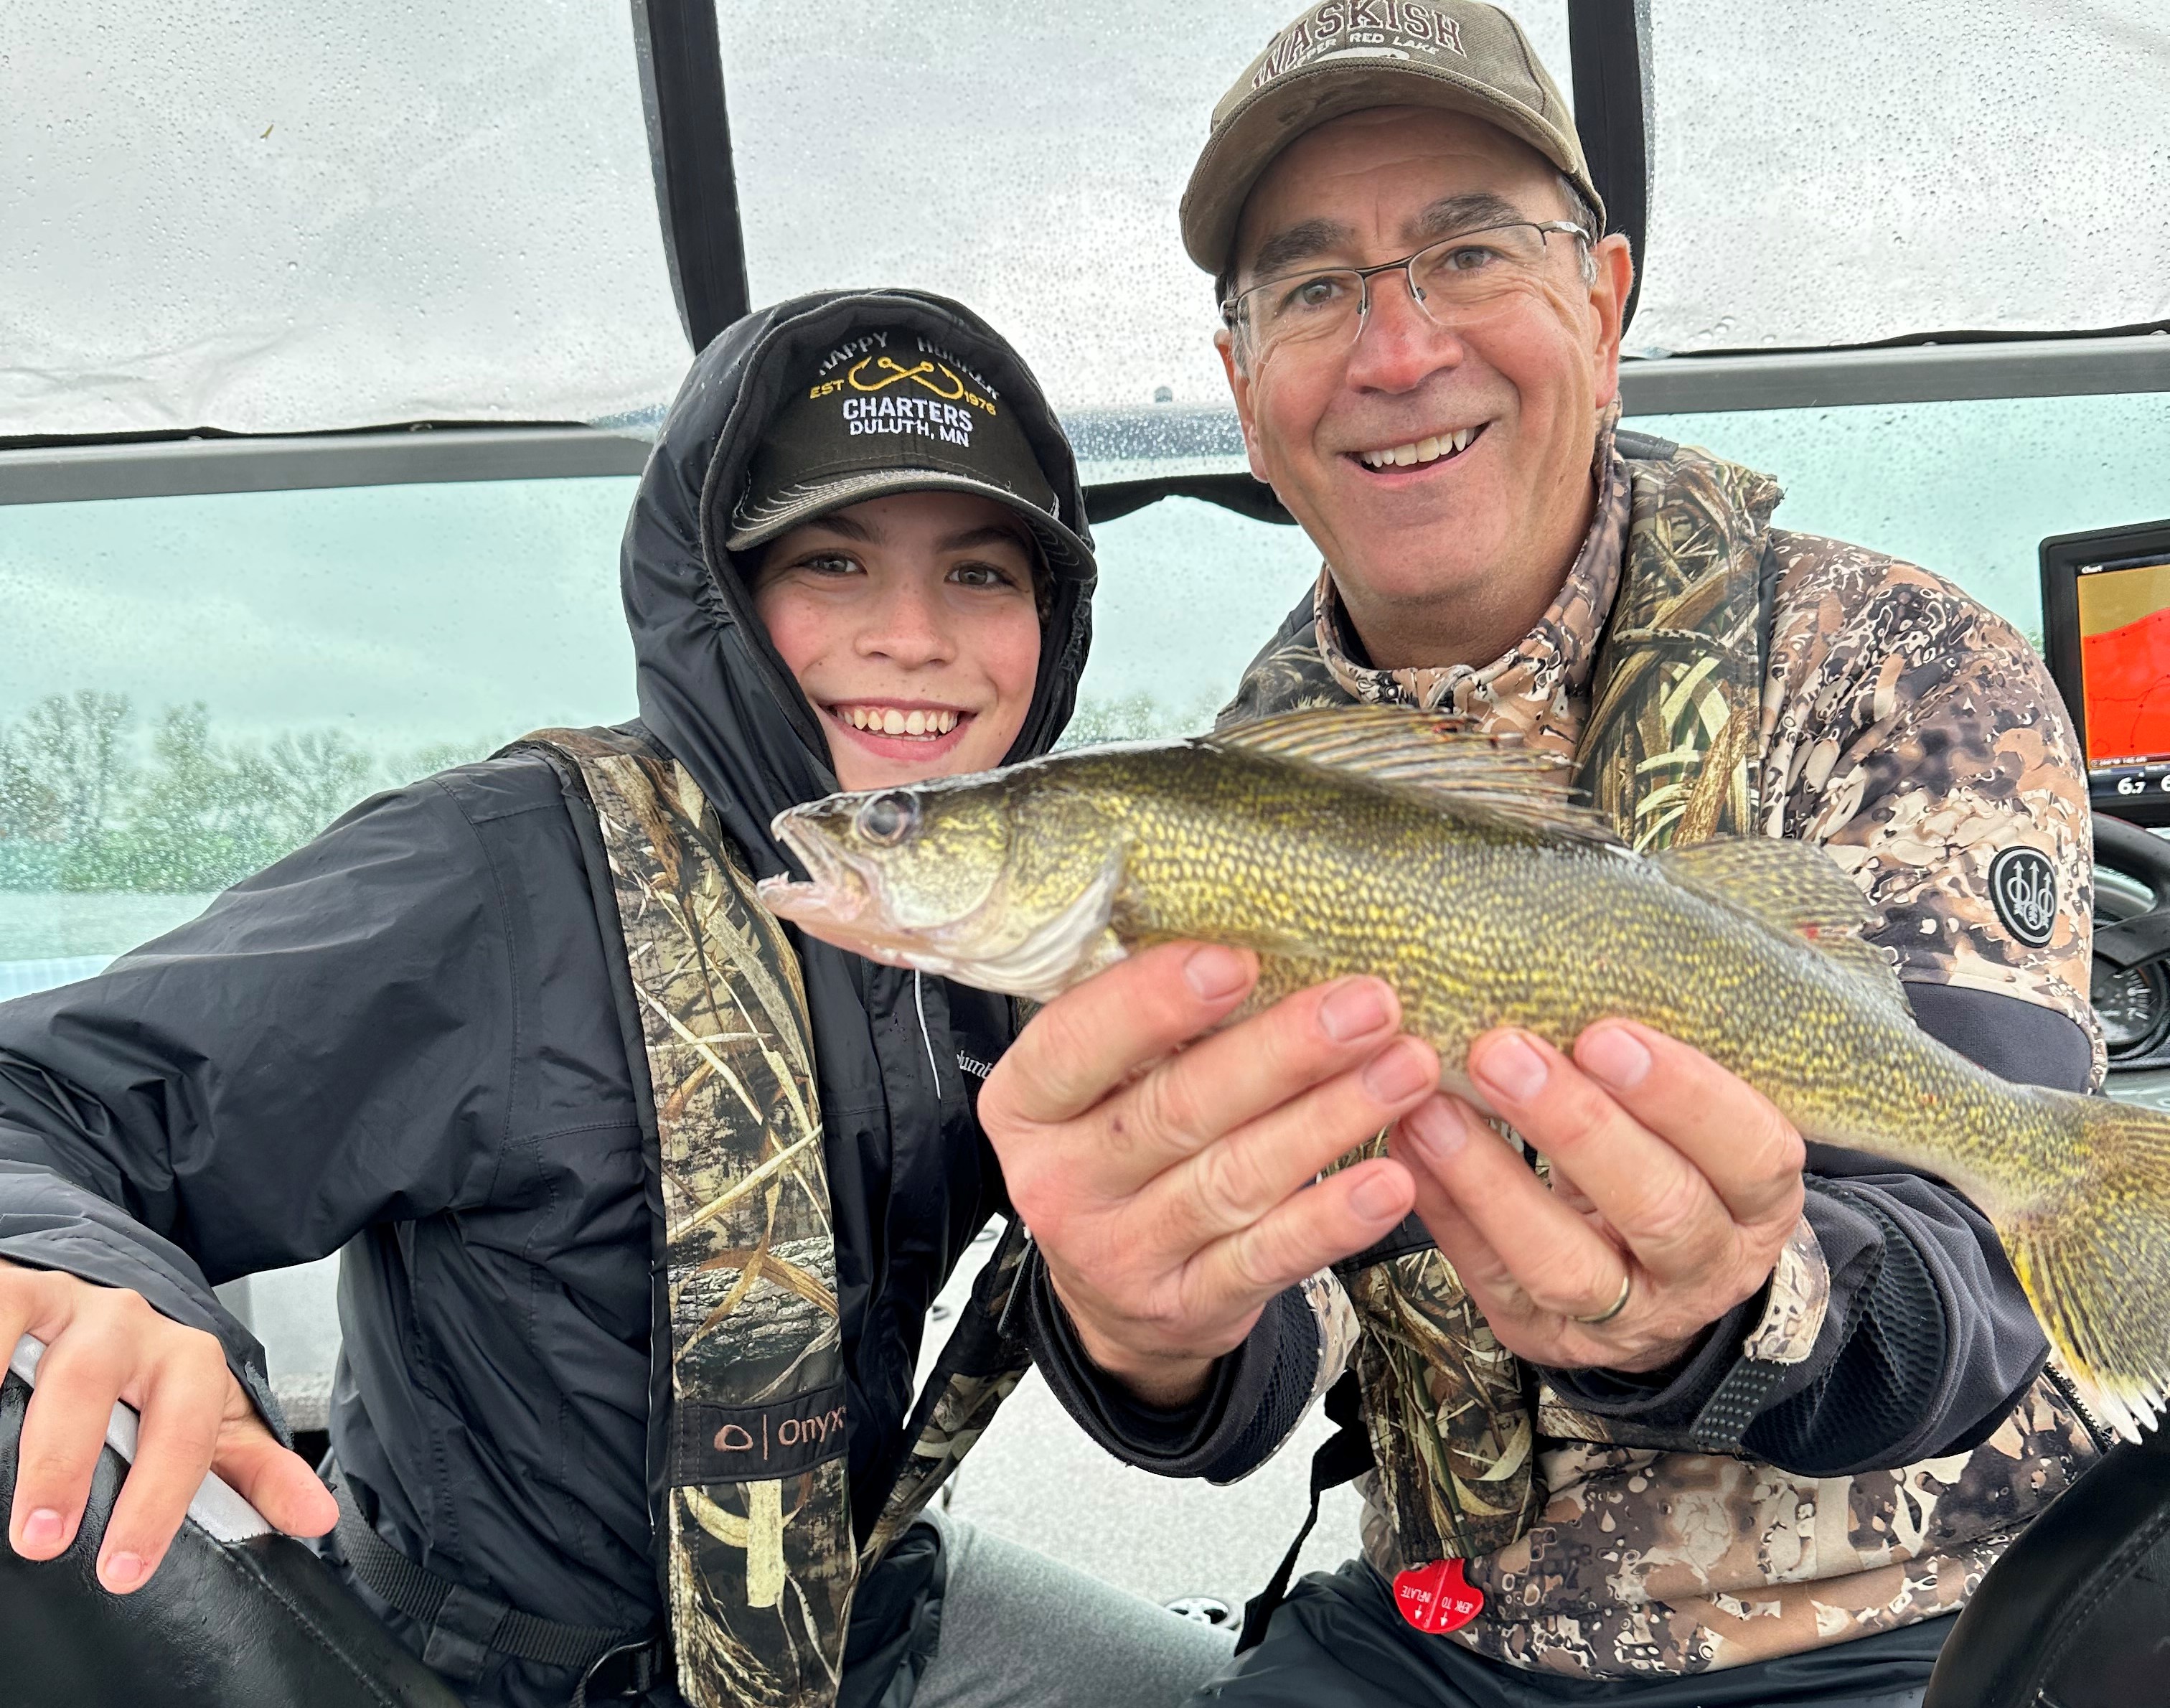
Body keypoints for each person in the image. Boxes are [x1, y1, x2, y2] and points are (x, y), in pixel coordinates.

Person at [980, 5, 2105, 1705]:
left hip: (1891, 1623)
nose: (1396, 346)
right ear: (1243, 388)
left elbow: (1977, 1283)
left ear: (1606, 299)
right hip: (1444, 1633)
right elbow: (1299, 1320)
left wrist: (1738, 1309)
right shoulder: (1231, 788)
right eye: (1312, 288)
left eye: (1468, 250)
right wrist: (1148, 1330)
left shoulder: (1904, 668)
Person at [0, 290, 1237, 1708]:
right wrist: (89, 1277)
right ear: (711, 592)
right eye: (832, 561)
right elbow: (40, 1096)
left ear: (1051, 618)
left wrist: (1175, 1344)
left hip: (867, 1622)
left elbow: (1212, 1388)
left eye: (980, 574)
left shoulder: (1017, 911)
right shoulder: (488, 878)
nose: (914, 636)